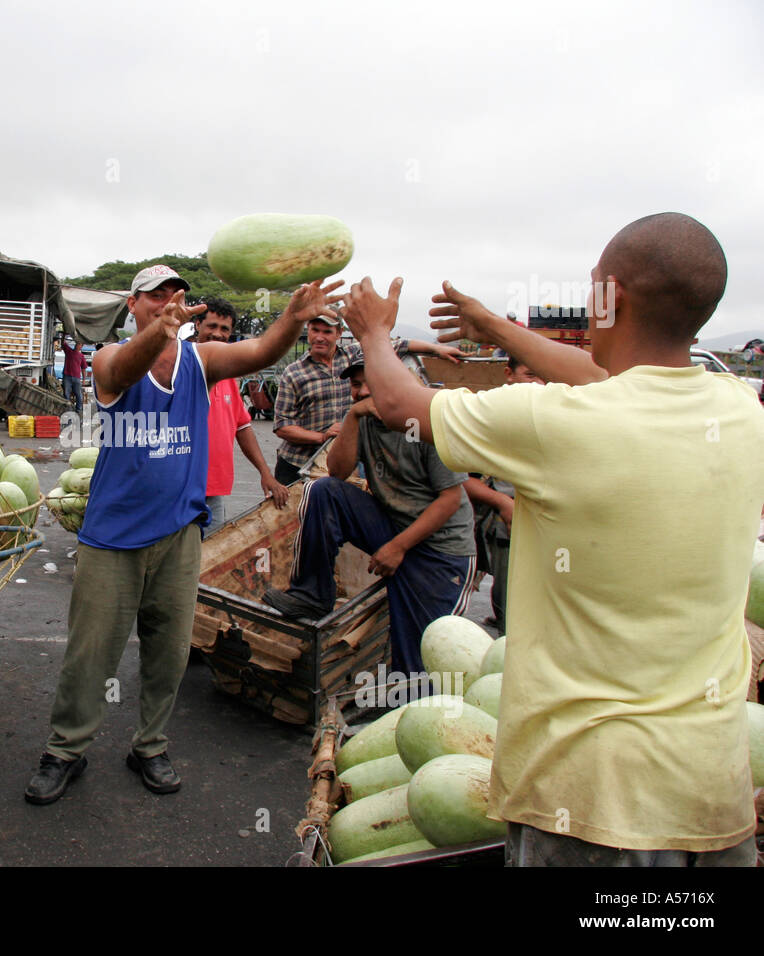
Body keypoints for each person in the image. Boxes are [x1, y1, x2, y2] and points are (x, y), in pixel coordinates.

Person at [337, 212, 764, 866]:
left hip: (589, 802)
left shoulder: (556, 423)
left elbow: (397, 405)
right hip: (710, 792)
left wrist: (373, 333)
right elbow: (609, 380)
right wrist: (495, 327)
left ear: (610, 297)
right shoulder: (737, 409)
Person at [24, 264, 344, 805]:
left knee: (169, 653)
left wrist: (293, 317)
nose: (169, 302)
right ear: (133, 304)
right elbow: (126, 368)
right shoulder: (109, 358)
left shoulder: (202, 361)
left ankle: (149, 746)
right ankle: (65, 751)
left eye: (177, 295)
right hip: (112, 537)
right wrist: (161, 330)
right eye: (156, 296)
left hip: (178, 534)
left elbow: (261, 352)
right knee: (90, 654)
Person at [262, 355, 477, 676]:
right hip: (393, 527)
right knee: (323, 491)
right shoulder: (363, 420)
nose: (362, 392)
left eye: (370, 384)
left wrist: (397, 548)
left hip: (439, 550)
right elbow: (337, 472)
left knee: (419, 659)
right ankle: (312, 595)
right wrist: (352, 416)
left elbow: (450, 500)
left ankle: (422, 698)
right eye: (355, 384)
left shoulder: (427, 421)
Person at [272, 314, 462, 484]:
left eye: (327, 332)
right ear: (308, 330)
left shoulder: (355, 355)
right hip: (297, 462)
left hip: (343, 463)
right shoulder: (293, 373)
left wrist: (437, 349)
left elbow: (401, 345)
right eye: (315, 330)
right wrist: (321, 436)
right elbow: (282, 426)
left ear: (339, 333)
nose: (320, 337)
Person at [460, 355, 545, 632]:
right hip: (507, 525)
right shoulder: (490, 418)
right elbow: (462, 480)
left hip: (547, 525)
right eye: (530, 375)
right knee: (512, 599)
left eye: (544, 376)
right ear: (509, 374)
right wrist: (502, 502)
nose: (539, 383)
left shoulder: (553, 414)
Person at [196, 297, 289, 525]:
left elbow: (242, 426)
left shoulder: (227, 375)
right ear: (197, 325)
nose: (218, 334)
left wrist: (265, 472)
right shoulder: (181, 367)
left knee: (215, 547)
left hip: (214, 492)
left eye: (224, 329)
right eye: (212, 326)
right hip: (180, 491)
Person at [57, 333, 86, 411]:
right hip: (67, 376)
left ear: (81, 347)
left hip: (77, 378)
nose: (77, 345)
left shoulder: (81, 356)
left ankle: (78, 409)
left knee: (78, 394)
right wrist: (63, 335)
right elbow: (63, 343)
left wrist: (84, 379)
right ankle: (68, 409)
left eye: (79, 344)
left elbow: (83, 369)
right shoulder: (69, 351)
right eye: (77, 343)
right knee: (66, 394)